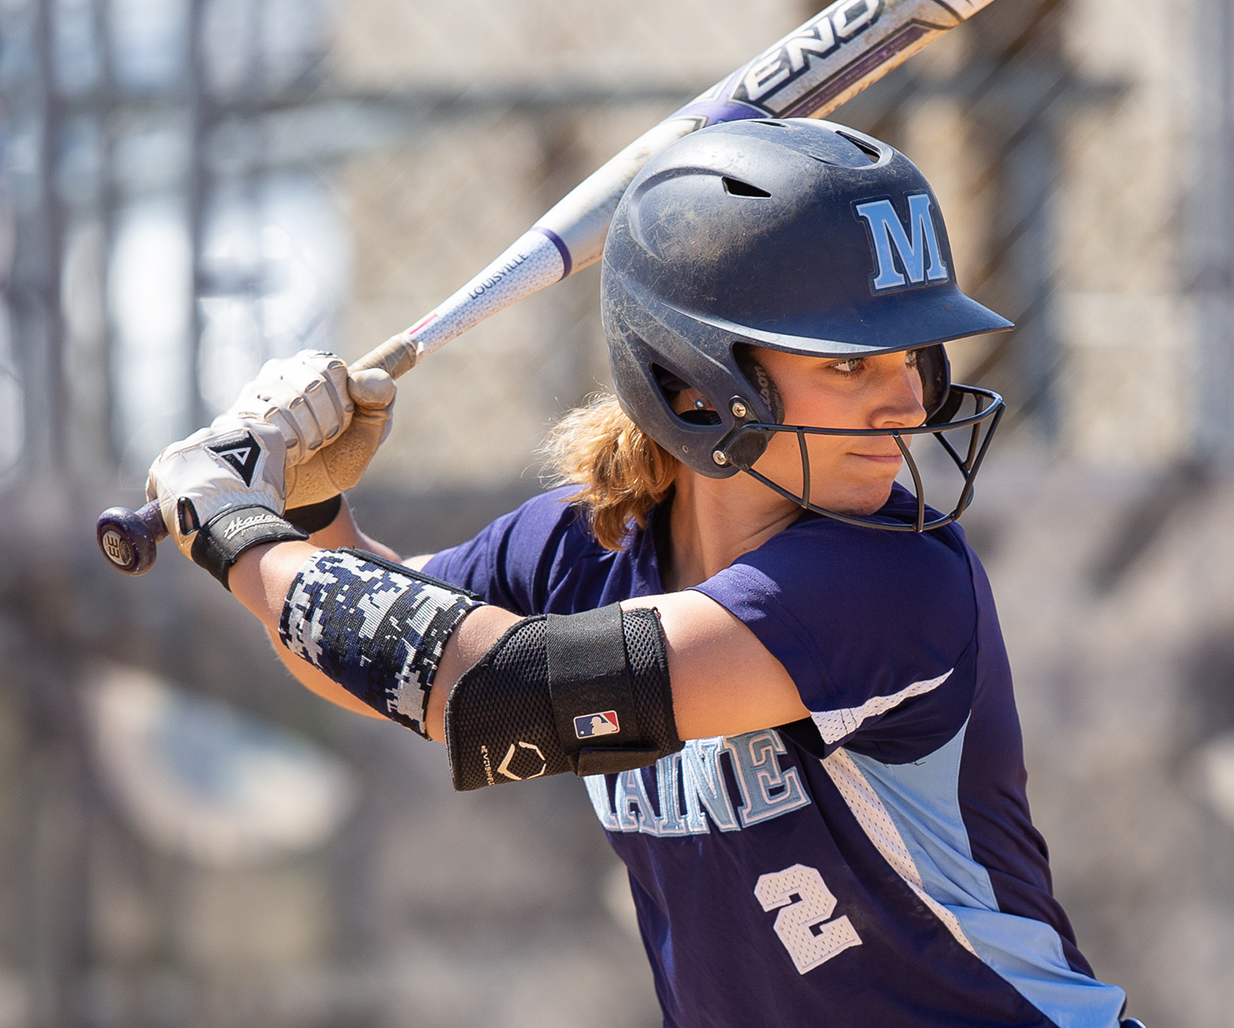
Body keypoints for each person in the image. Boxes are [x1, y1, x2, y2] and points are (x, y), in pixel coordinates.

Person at [144, 118, 1139, 1028]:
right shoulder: (587, 545)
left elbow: (501, 694)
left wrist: (237, 530)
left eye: (912, 356)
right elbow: (380, 665)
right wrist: (313, 514)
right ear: (694, 381)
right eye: (847, 364)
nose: (905, 404)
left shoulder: (887, 577)